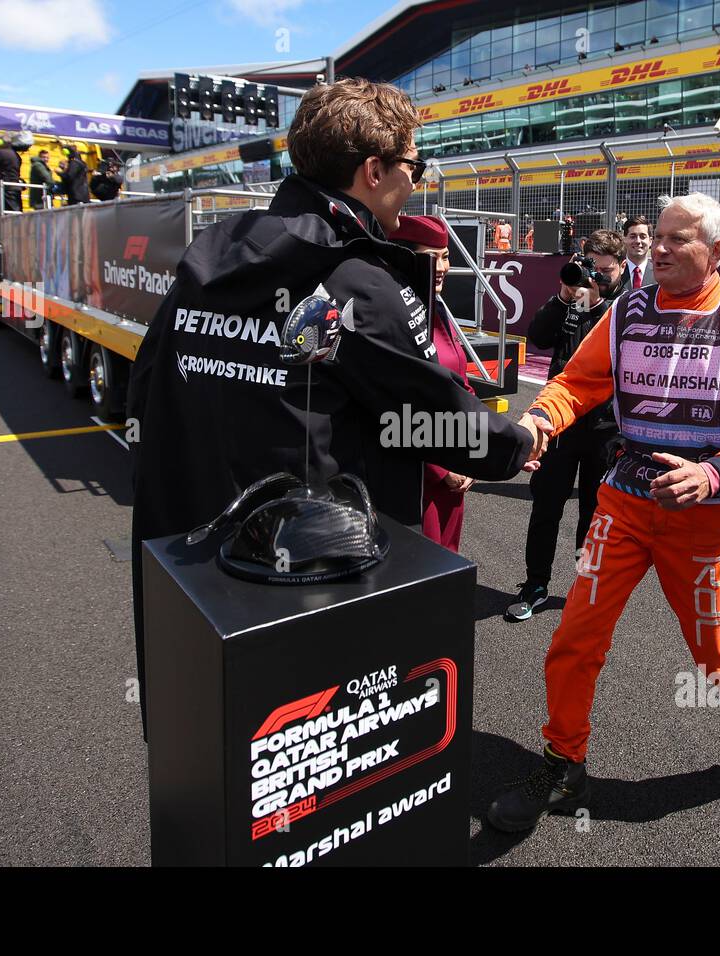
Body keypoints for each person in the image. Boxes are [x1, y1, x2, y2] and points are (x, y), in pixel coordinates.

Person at [127, 78, 542, 739]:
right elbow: (426, 415)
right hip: (310, 572)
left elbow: (147, 383)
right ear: (374, 171)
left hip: (191, 565)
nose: (414, 182)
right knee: (326, 772)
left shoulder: (215, 248)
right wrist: (517, 441)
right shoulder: (351, 277)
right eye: (414, 166)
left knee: (211, 761)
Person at [486, 193, 720, 832]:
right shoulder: (626, 311)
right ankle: (563, 761)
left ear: (717, 252)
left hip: (707, 519)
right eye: (658, 236)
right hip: (623, 503)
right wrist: (535, 426)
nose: (659, 249)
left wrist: (716, 471)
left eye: (678, 240)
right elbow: (575, 385)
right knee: (574, 637)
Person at [507, 229, 625, 621]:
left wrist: (601, 303)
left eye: (606, 272)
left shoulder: (628, 308)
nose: (597, 278)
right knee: (546, 506)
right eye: (593, 269)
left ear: (622, 269)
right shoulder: (570, 300)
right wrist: (565, 298)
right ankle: (535, 583)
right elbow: (538, 336)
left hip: (607, 427)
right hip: (561, 422)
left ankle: (584, 586)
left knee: (594, 512)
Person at [389, 214, 474, 552]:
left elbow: (462, 387)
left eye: (446, 256)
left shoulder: (435, 308)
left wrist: (473, 454)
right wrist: (440, 469)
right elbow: (392, 402)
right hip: (415, 477)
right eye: (431, 257)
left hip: (454, 468)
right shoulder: (393, 315)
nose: (442, 267)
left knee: (448, 565)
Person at [622, 214, 650, 289]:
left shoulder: (660, 272)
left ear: (650, 241)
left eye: (642, 236)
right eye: (633, 236)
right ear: (624, 239)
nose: (638, 241)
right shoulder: (616, 271)